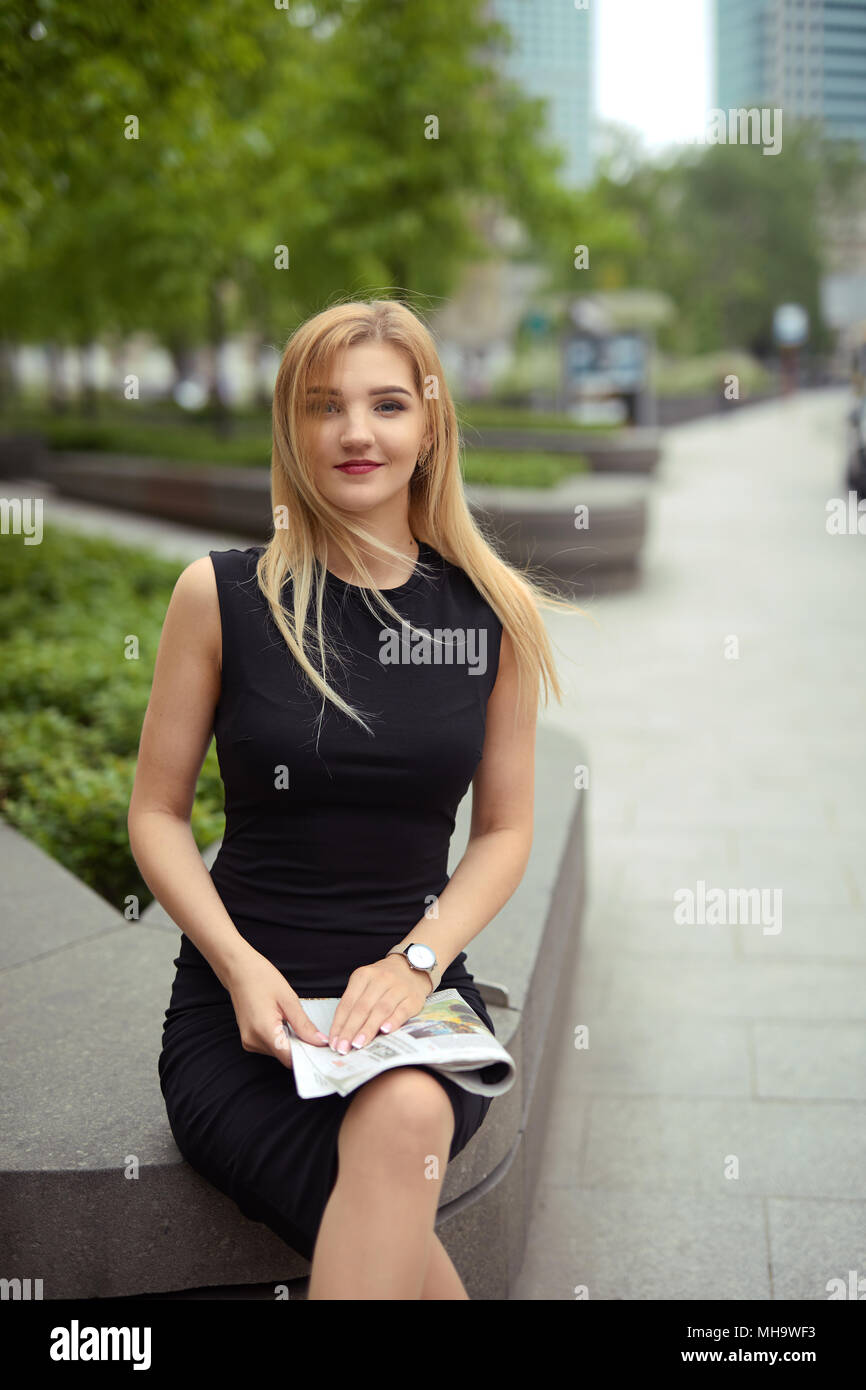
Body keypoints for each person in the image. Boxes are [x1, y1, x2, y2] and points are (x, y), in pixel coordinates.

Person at [128, 297, 583, 1300]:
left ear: (429, 429)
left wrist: (417, 961)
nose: (355, 432)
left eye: (386, 403)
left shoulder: (488, 612)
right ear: (292, 428)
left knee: (411, 1113)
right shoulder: (220, 595)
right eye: (323, 404)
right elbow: (154, 814)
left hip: (411, 1002)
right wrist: (241, 969)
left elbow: (505, 831)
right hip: (245, 1018)